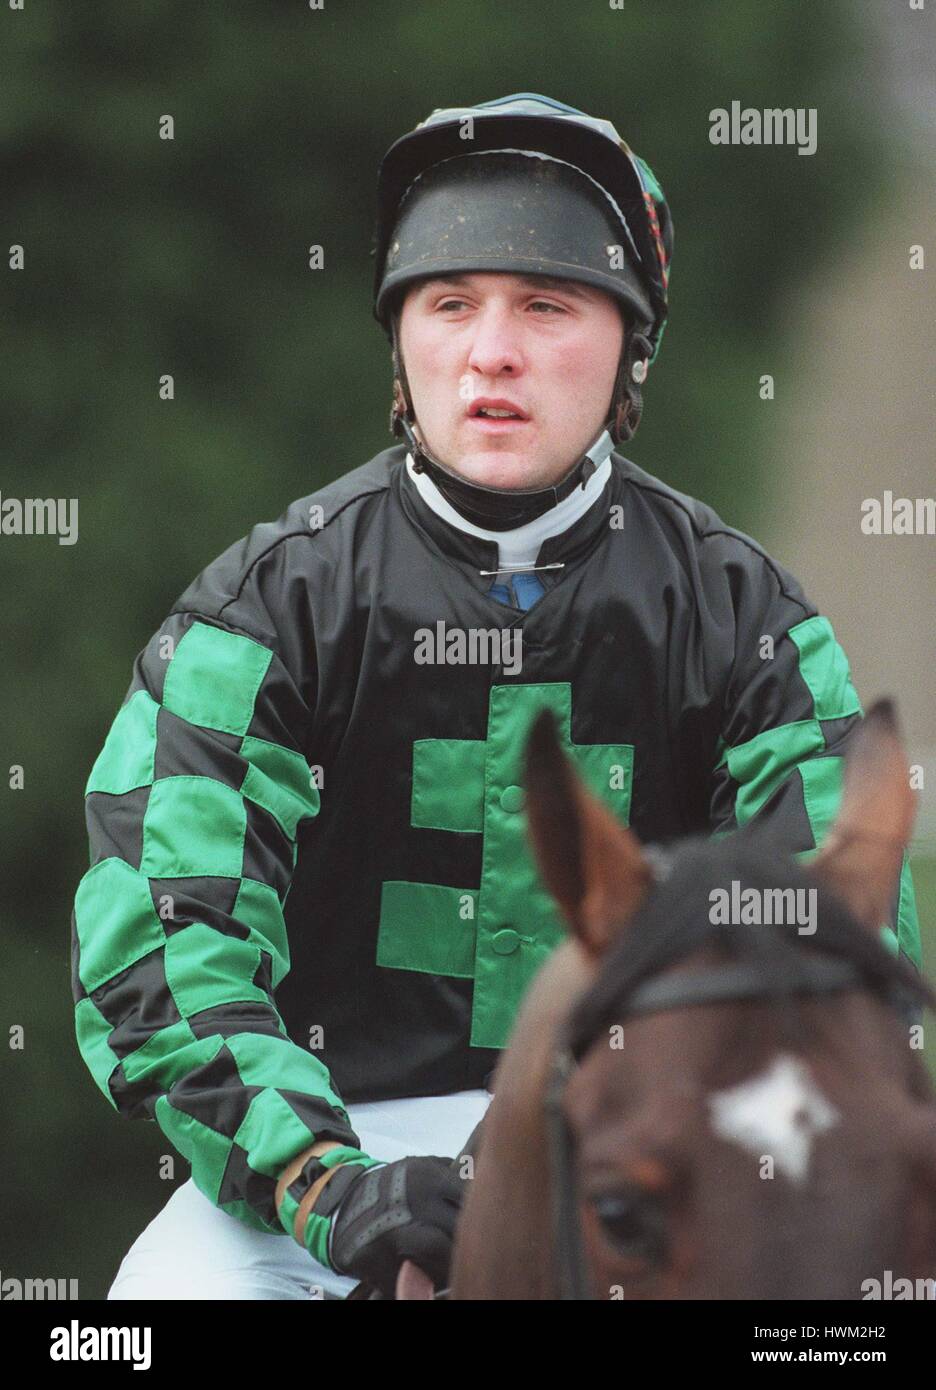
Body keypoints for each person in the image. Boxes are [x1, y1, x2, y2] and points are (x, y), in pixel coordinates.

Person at [69, 93, 921, 1301]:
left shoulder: (749, 619)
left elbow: (849, 930)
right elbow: (160, 943)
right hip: (329, 1152)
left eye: (546, 306)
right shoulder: (264, 609)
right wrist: (325, 1181)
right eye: (450, 303)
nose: (492, 352)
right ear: (402, 341)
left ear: (632, 348)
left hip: (646, 1140)